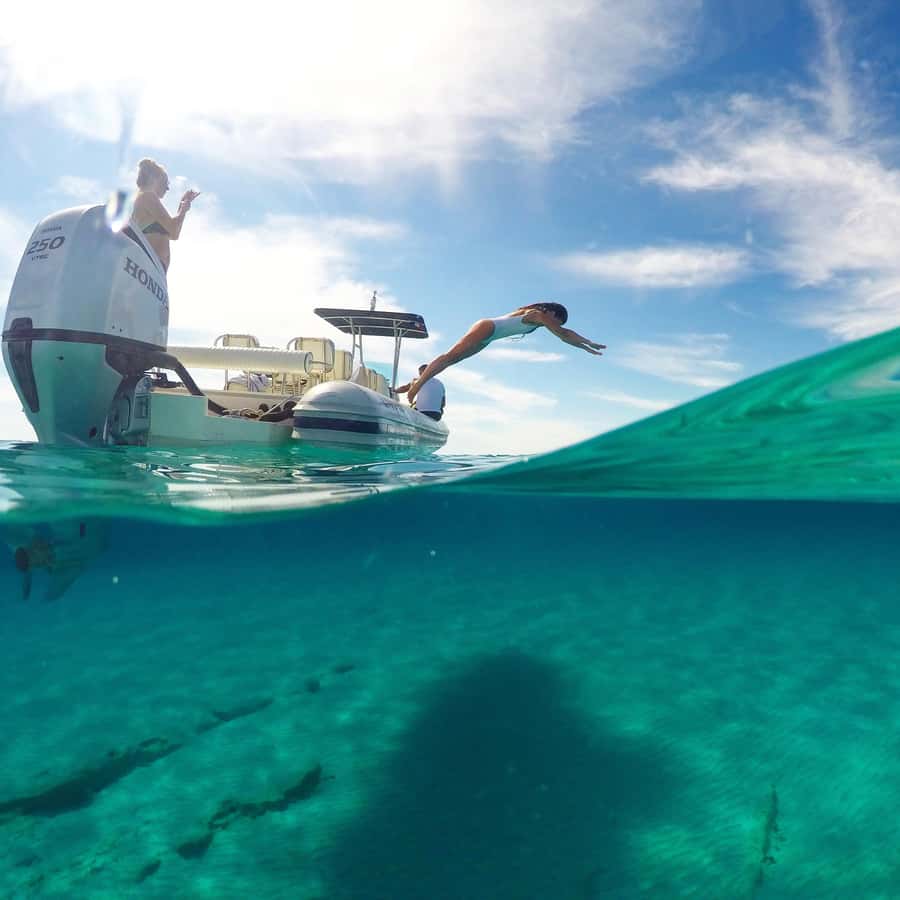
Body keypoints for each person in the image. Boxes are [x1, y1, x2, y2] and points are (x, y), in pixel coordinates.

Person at [406, 302, 604, 405]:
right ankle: (415, 388)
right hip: (487, 327)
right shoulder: (537, 314)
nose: (556, 325)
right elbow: (564, 334)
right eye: (558, 320)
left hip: (489, 338)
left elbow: (563, 335)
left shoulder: (539, 321)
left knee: (452, 361)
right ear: (553, 313)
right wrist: (587, 342)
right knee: (449, 357)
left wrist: (584, 346)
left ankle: (416, 386)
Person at [130, 158, 199, 271]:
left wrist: (182, 207)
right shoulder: (147, 197)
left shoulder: (143, 198)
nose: (167, 188)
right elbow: (172, 229)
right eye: (166, 183)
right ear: (155, 179)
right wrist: (183, 210)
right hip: (148, 267)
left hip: (155, 270)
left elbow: (174, 234)